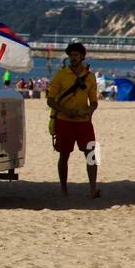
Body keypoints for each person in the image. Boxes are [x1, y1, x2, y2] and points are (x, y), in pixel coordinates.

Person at [47, 42, 100, 198]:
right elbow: (50, 100)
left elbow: (94, 102)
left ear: (82, 56)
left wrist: (89, 111)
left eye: (76, 55)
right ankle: (64, 190)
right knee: (64, 155)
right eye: (71, 55)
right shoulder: (60, 75)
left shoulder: (90, 77)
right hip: (64, 121)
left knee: (92, 154)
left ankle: (92, 189)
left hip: (84, 123)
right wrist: (65, 111)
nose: (73, 58)